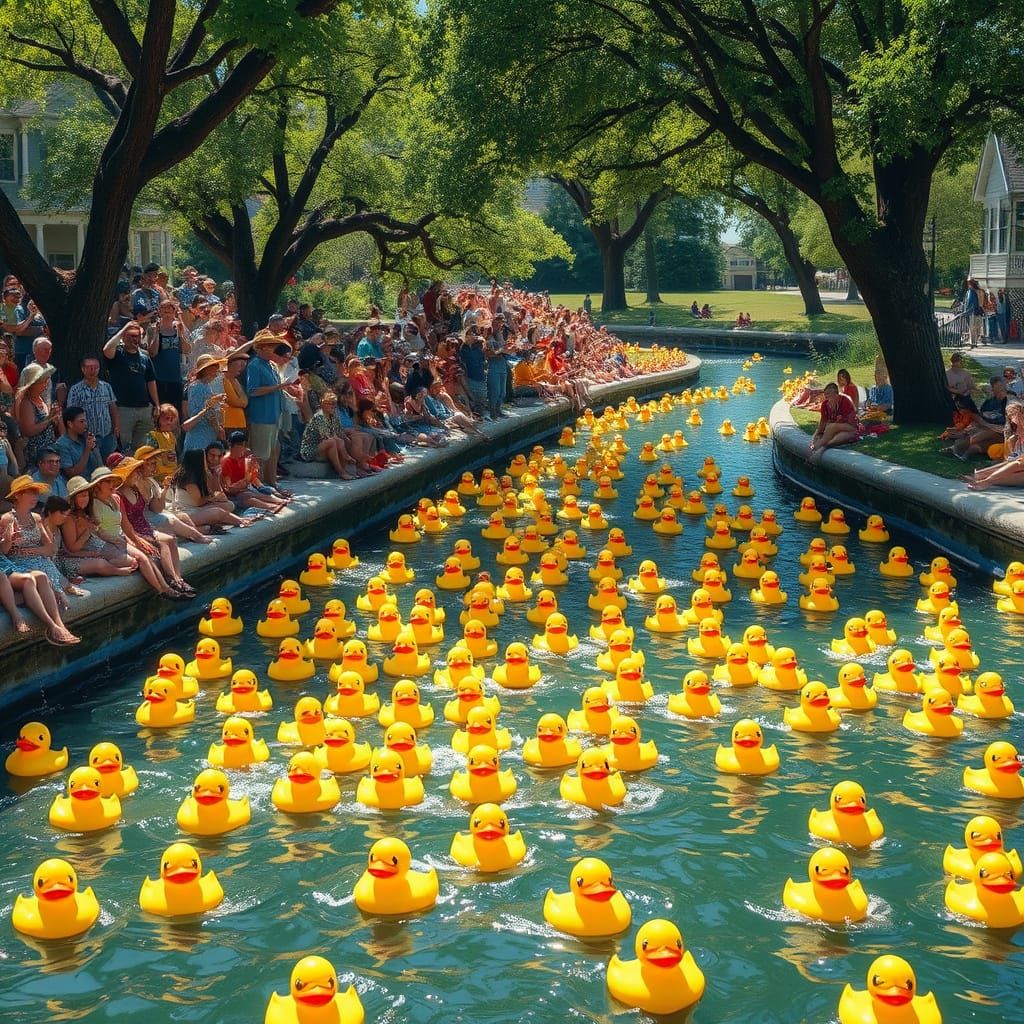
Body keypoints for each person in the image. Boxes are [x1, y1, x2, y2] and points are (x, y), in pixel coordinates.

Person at [86, 465, 184, 599]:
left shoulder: (115, 498)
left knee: (146, 555)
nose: (112, 485)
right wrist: (114, 539)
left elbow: (124, 524)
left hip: (121, 538)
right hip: (104, 542)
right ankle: (163, 590)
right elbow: (94, 531)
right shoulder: (91, 504)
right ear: (98, 485)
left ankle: (167, 587)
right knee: (139, 559)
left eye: (112, 481)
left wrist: (136, 540)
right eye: (108, 482)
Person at [114, 457, 195, 595]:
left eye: (139, 472)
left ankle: (178, 578)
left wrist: (163, 488)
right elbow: (124, 524)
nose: (139, 475)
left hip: (145, 527)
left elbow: (152, 506)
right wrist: (137, 538)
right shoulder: (118, 495)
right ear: (127, 473)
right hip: (134, 532)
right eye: (136, 472)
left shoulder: (135, 489)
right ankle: (172, 580)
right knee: (163, 543)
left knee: (170, 539)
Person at [0, 474, 81, 600]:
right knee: (48, 583)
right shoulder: (7, 519)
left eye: (36, 494)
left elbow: (50, 548)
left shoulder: (36, 518)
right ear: (17, 495)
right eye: (30, 493)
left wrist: (31, 551)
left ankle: (60, 589)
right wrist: (9, 538)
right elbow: (4, 552)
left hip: (41, 561)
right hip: (19, 564)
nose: (35, 497)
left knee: (48, 568)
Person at [0, 540, 81, 645]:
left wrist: (6, 536)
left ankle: (60, 624)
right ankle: (51, 627)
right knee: (28, 581)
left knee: (41, 577)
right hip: (3, 573)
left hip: (6, 565)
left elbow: (3, 550)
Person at [61, 475, 138, 578]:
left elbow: (99, 531)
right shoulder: (70, 519)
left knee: (134, 560)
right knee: (126, 563)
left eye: (87, 496)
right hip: (85, 554)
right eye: (82, 496)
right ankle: (115, 570)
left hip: (101, 547)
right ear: (74, 498)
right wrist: (88, 532)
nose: (86, 499)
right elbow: (72, 548)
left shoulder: (87, 513)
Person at [102, 320, 158, 451]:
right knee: (124, 447)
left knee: (144, 449)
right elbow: (106, 350)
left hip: (144, 408)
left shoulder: (144, 356)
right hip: (123, 409)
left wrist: (157, 404)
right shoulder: (117, 354)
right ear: (124, 337)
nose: (135, 339)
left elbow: (151, 381)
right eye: (131, 336)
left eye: (137, 336)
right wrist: (123, 329)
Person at [245, 330, 290, 487]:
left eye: (273, 346)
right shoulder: (254, 365)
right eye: (269, 347)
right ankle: (258, 485)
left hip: (274, 415)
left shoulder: (272, 365)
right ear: (260, 348)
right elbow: (252, 391)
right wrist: (278, 386)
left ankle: (271, 483)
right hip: (261, 416)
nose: (273, 349)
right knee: (260, 454)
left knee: (272, 452)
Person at [173, 448, 252, 533]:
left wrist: (216, 478)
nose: (206, 461)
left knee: (229, 505)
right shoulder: (188, 478)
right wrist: (213, 497)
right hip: (188, 513)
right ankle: (241, 521)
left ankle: (234, 520)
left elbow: (222, 498)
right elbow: (198, 502)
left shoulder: (202, 474)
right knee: (217, 511)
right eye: (204, 458)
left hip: (197, 509)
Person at [299, 391, 365, 479]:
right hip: (310, 449)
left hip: (327, 446)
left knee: (340, 441)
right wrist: (346, 455)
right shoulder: (319, 417)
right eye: (329, 403)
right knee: (333, 442)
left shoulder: (332, 417)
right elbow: (326, 436)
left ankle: (349, 470)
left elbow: (338, 433)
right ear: (322, 404)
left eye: (334, 403)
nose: (333, 406)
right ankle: (341, 472)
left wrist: (347, 444)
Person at [220, 432, 290, 512]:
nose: (242, 448)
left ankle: (279, 501)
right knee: (249, 497)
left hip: (245, 489)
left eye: (243, 445)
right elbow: (229, 489)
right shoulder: (226, 462)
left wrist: (253, 469)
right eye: (239, 445)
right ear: (231, 446)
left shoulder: (244, 457)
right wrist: (246, 479)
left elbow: (255, 479)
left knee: (262, 491)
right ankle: (272, 507)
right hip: (233, 496)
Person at [66, 356, 119, 460]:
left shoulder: (106, 387)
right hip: (87, 438)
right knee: (96, 467)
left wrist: (116, 426)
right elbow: (71, 414)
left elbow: (113, 407)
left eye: (96, 367)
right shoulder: (76, 390)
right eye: (89, 367)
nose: (93, 370)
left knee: (110, 466)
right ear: (83, 369)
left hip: (107, 436)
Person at [962, 400, 1024, 490]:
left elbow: (1019, 463)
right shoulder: (1014, 439)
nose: (1017, 429)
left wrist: (989, 478)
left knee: (1019, 464)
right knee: (1015, 464)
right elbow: (1010, 462)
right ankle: (981, 476)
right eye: (1014, 425)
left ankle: (985, 480)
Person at [947, 376, 1009, 459]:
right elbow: (977, 417)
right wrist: (987, 425)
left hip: (1004, 433)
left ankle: (956, 448)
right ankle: (965, 454)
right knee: (982, 441)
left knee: (990, 432)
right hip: (988, 431)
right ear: (993, 389)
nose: (1001, 391)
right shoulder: (989, 403)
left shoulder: (1010, 401)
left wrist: (994, 427)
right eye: (998, 388)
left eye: (1003, 387)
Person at [15, 364, 61, 470]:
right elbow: (29, 431)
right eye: (42, 382)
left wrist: (54, 418)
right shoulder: (26, 403)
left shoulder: (40, 399)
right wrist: (49, 419)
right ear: (33, 384)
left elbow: (48, 423)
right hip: (37, 456)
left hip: (49, 451)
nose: (45, 385)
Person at [149, 299, 190, 411]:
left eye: (170, 312)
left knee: (175, 409)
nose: (167, 315)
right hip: (159, 376)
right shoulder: (153, 328)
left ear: (174, 312)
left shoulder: (179, 327)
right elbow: (153, 352)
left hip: (176, 376)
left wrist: (181, 334)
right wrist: (157, 333)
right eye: (164, 312)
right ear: (160, 312)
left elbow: (187, 350)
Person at [182, 353, 227, 452]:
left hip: (207, 434)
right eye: (214, 368)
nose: (216, 373)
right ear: (206, 370)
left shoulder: (204, 386)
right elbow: (204, 411)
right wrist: (218, 428)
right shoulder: (198, 386)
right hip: (199, 436)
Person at [808, 382, 860, 463]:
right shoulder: (825, 405)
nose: (828, 398)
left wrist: (837, 423)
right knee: (838, 436)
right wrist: (817, 434)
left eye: (830, 395)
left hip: (851, 428)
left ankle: (817, 448)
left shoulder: (845, 401)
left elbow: (852, 422)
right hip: (840, 432)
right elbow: (823, 422)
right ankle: (823, 448)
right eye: (826, 395)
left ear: (837, 394)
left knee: (832, 426)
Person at [55, 406, 102, 481]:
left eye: (85, 421)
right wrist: (87, 450)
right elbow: (71, 474)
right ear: (70, 424)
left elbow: (99, 466)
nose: (85, 424)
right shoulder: (62, 444)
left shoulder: (85, 438)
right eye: (81, 421)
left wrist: (94, 447)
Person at [484, 320, 509, 419]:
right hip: (493, 367)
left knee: (503, 392)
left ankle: (499, 410)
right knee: (495, 392)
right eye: (496, 325)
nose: (499, 327)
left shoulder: (500, 336)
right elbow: (490, 354)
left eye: (500, 325)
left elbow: (504, 349)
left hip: (502, 365)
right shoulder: (487, 339)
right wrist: (502, 350)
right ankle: (492, 411)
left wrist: (509, 349)